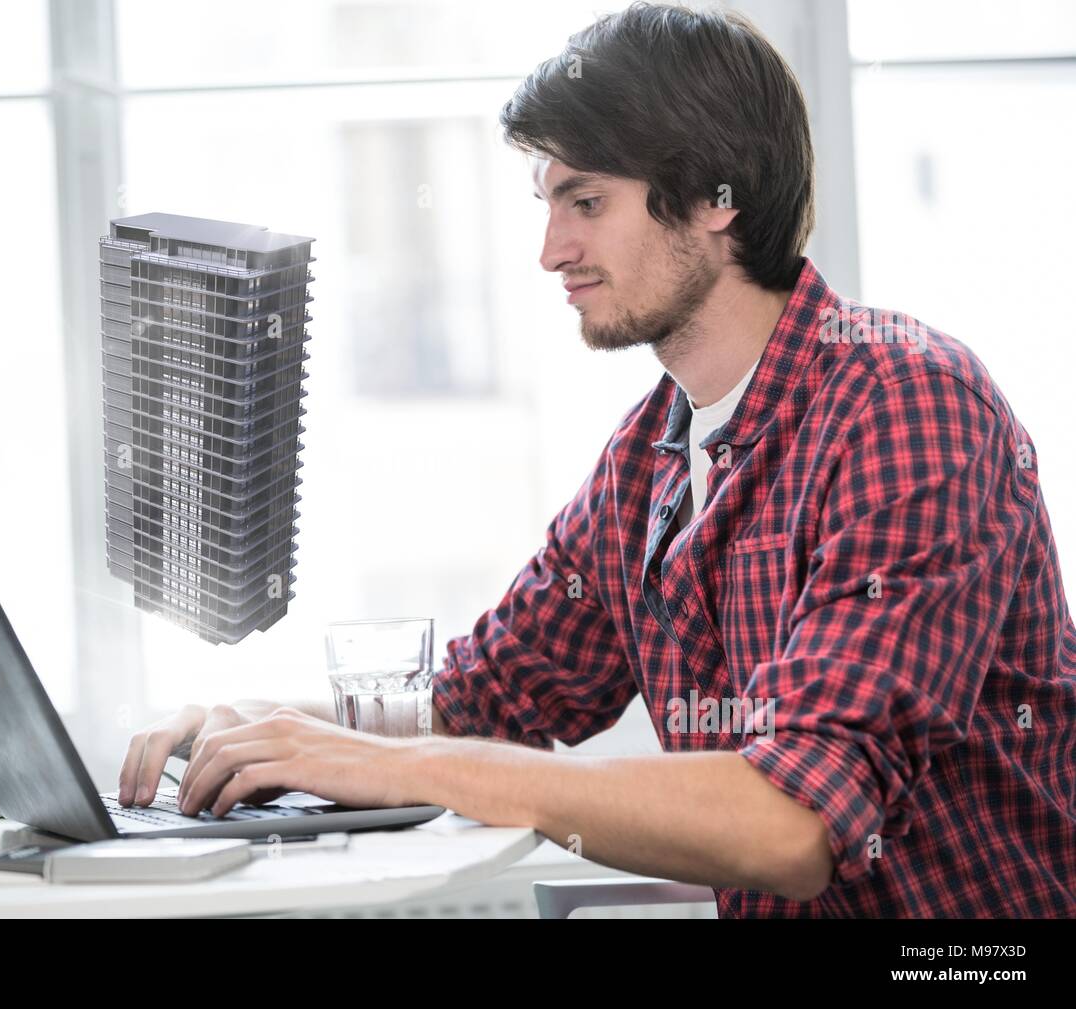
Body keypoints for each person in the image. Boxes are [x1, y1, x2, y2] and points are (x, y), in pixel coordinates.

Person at [118, 2, 1076, 917]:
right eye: (548, 203)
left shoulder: (907, 402)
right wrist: (256, 727)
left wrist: (393, 767)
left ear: (714, 197)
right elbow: (476, 699)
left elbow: (795, 822)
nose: (550, 250)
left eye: (585, 201)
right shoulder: (648, 455)